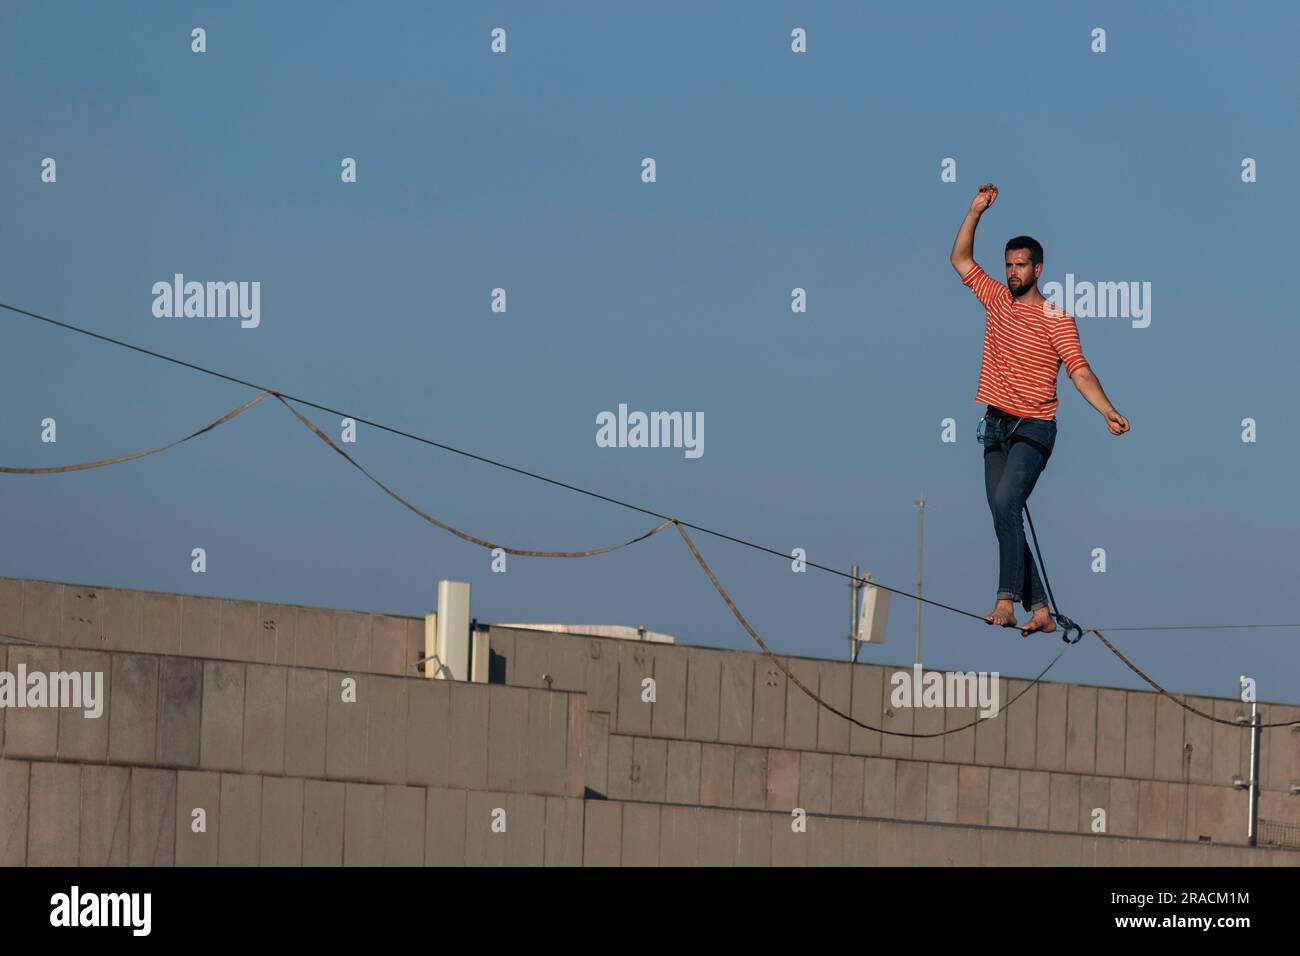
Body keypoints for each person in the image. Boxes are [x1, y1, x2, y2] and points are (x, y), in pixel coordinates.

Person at [949, 183, 1130, 636]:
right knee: (1001, 513)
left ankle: (1005, 602)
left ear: (1038, 269)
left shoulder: (1056, 318)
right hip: (994, 425)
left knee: (1008, 503)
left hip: (1034, 428)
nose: (1012, 272)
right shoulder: (994, 299)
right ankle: (1043, 611)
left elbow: (1080, 371)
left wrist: (1107, 410)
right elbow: (960, 260)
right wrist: (974, 212)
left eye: (1021, 265)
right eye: (1008, 265)